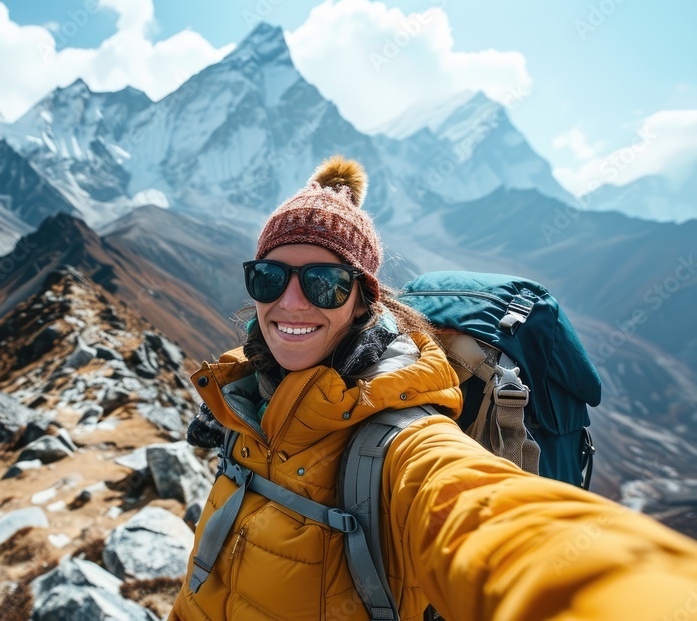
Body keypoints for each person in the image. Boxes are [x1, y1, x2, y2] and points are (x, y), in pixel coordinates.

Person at [169, 156, 697, 620]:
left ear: (362, 300)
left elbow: (488, 516)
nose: (289, 303)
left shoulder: (401, 440)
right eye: (268, 277)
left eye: (324, 283)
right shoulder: (244, 398)